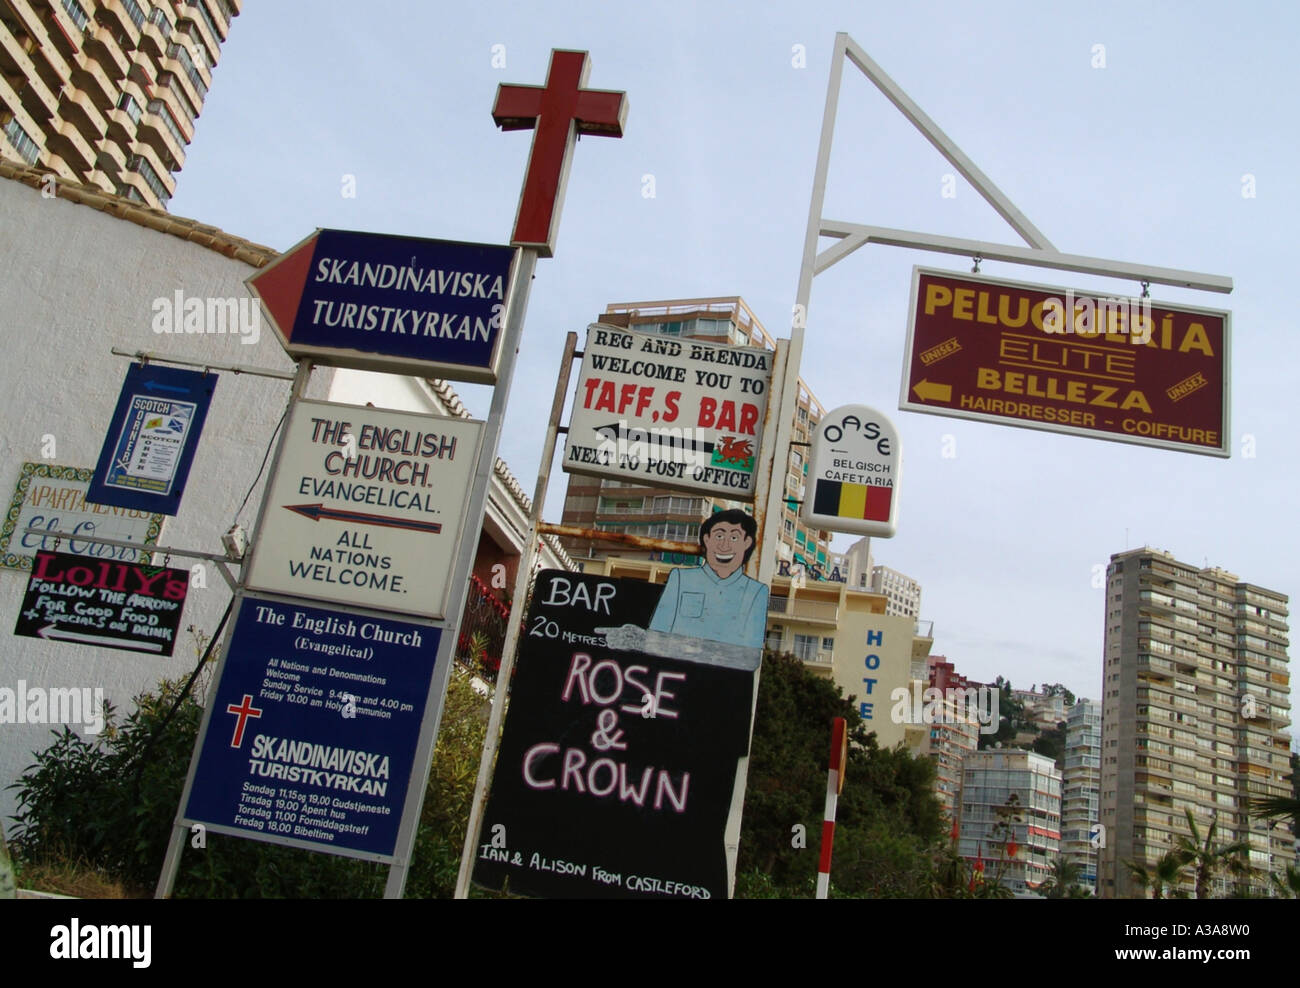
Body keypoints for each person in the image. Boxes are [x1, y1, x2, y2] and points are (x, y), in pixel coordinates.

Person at [647, 509, 768, 649]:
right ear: (707, 539)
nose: (725, 545)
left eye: (734, 538)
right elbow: (656, 634)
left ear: (747, 542)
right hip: (672, 668)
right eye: (719, 536)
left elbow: (752, 651)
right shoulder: (680, 578)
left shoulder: (757, 591)